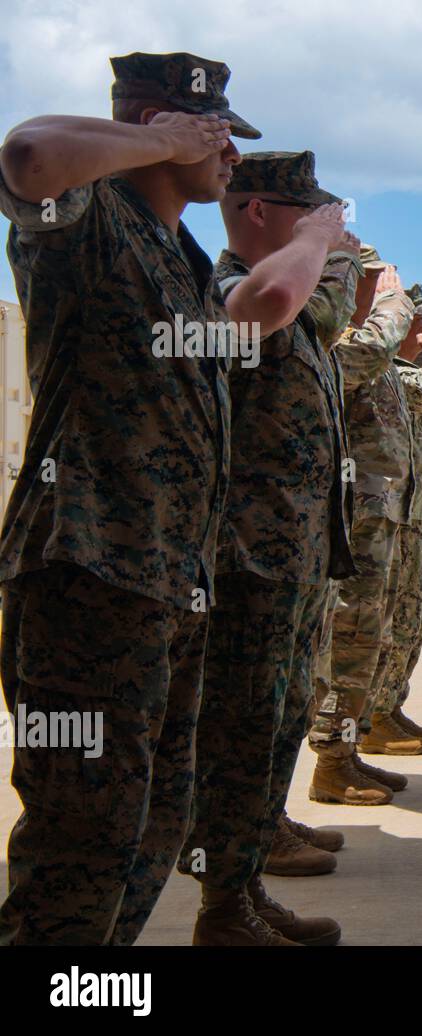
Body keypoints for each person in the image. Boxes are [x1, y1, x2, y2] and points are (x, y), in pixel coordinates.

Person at [0, 52, 256, 944]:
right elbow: (27, 154)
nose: (230, 156)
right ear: (162, 123)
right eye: (218, 132)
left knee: (153, 825)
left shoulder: (180, 255)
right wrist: (156, 139)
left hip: (170, 581)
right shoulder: (89, 222)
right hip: (89, 571)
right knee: (85, 835)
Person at [180, 151, 360, 944]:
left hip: (292, 558)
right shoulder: (225, 289)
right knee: (239, 733)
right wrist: (326, 253)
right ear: (258, 212)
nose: (325, 232)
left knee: (277, 724)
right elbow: (286, 303)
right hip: (246, 560)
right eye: (308, 216)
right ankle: (223, 907)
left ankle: (243, 891)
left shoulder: (289, 293)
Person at [307, 245, 417, 803]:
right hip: (352, 527)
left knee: (366, 638)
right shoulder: (336, 346)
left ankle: (345, 753)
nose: (382, 290)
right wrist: (393, 306)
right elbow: (370, 350)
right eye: (373, 280)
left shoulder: (373, 353)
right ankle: (329, 762)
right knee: (347, 641)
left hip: (378, 522)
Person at [369, 284, 422, 744]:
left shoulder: (404, 370)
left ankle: (389, 707)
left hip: (417, 517)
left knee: (410, 623)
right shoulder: (389, 371)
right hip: (394, 519)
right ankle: (370, 718)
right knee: (386, 625)